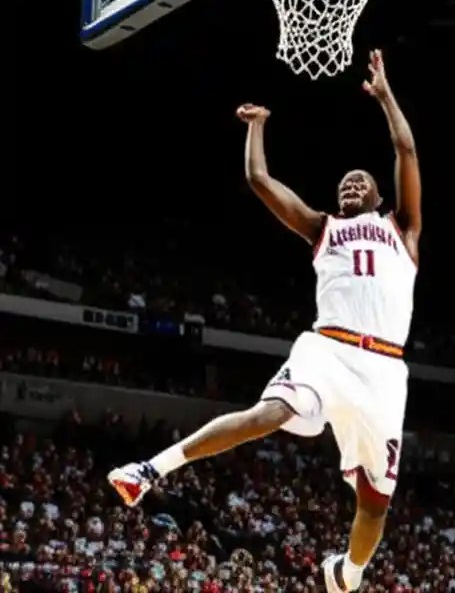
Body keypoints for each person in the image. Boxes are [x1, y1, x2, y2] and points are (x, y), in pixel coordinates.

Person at [107, 49, 421, 593]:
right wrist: (256, 128)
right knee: (269, 412)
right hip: (329, 349)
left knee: (375, 504)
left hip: (386, 372)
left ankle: (347, 575)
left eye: (361, 181)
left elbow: (406, 147)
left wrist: (386, 94)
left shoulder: (405, 231)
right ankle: (149, 470)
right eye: (344, 182)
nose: (351, 184)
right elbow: (259, 179)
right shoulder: (321, 227)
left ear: (378, 195)